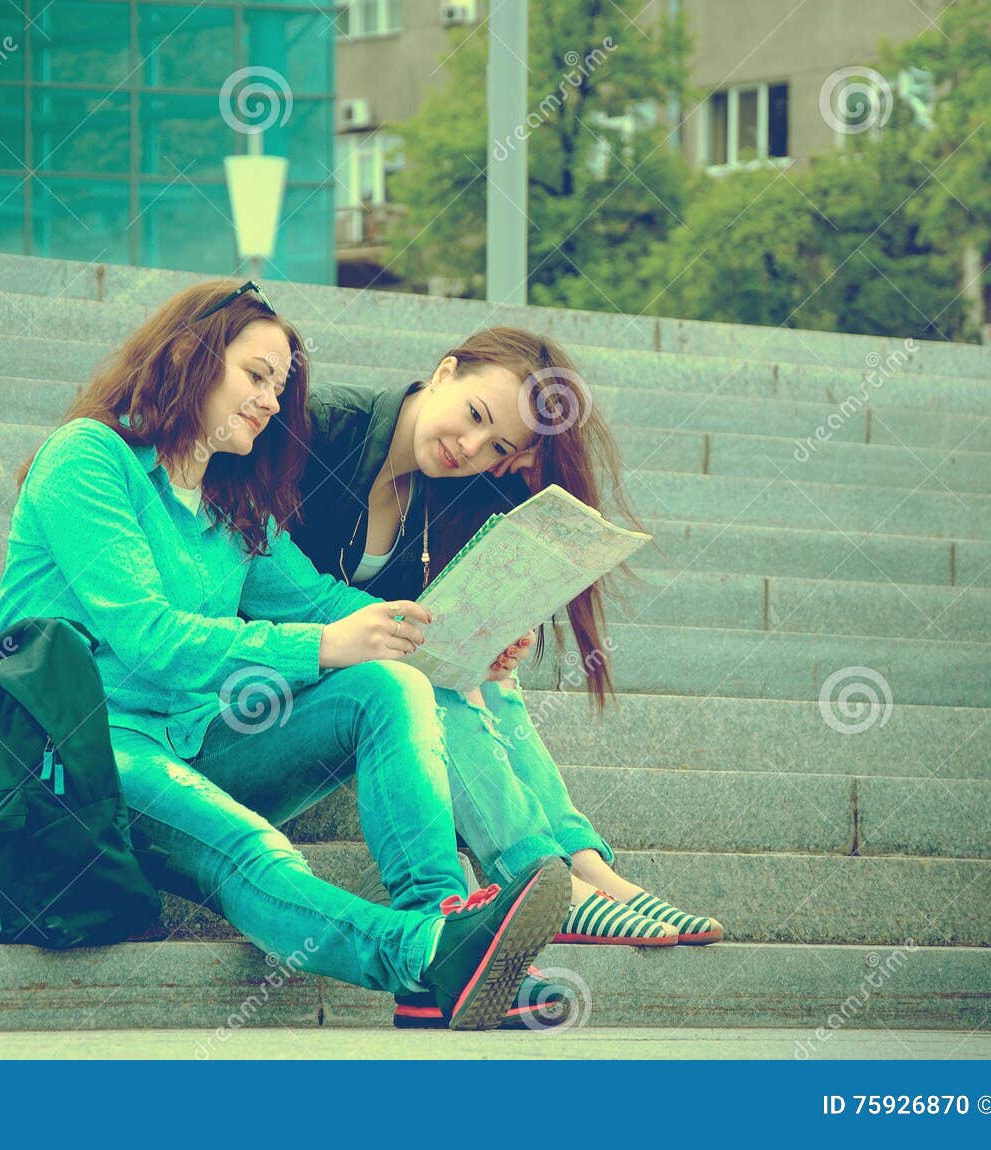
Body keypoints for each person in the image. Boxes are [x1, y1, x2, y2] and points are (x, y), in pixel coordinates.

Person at [0, 282, 570, 1031]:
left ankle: (445, 924)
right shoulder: (91, 459)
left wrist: (460, 638)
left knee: (386, 686)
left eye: (279, 384)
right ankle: (425, 958)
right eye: (255, 375)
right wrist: (321, 646)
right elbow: (151, 638)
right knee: (251, 846)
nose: (270, 400)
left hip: (194, 741)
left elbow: (323, 602)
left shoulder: (231, 498)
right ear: (191, 357)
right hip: (80, 754)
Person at [290, 327, 725, 947]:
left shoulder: (452, 488)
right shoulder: (325, 428)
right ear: (444, 372)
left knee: (489, 682)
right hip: (275, 679)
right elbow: (261, 580)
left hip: (360, 679)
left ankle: (587, 869)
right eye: (473, 415)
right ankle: (536, 880)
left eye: (497, 446)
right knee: (422, 678)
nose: (468, 448)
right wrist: (402, 631)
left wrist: (486, 642)